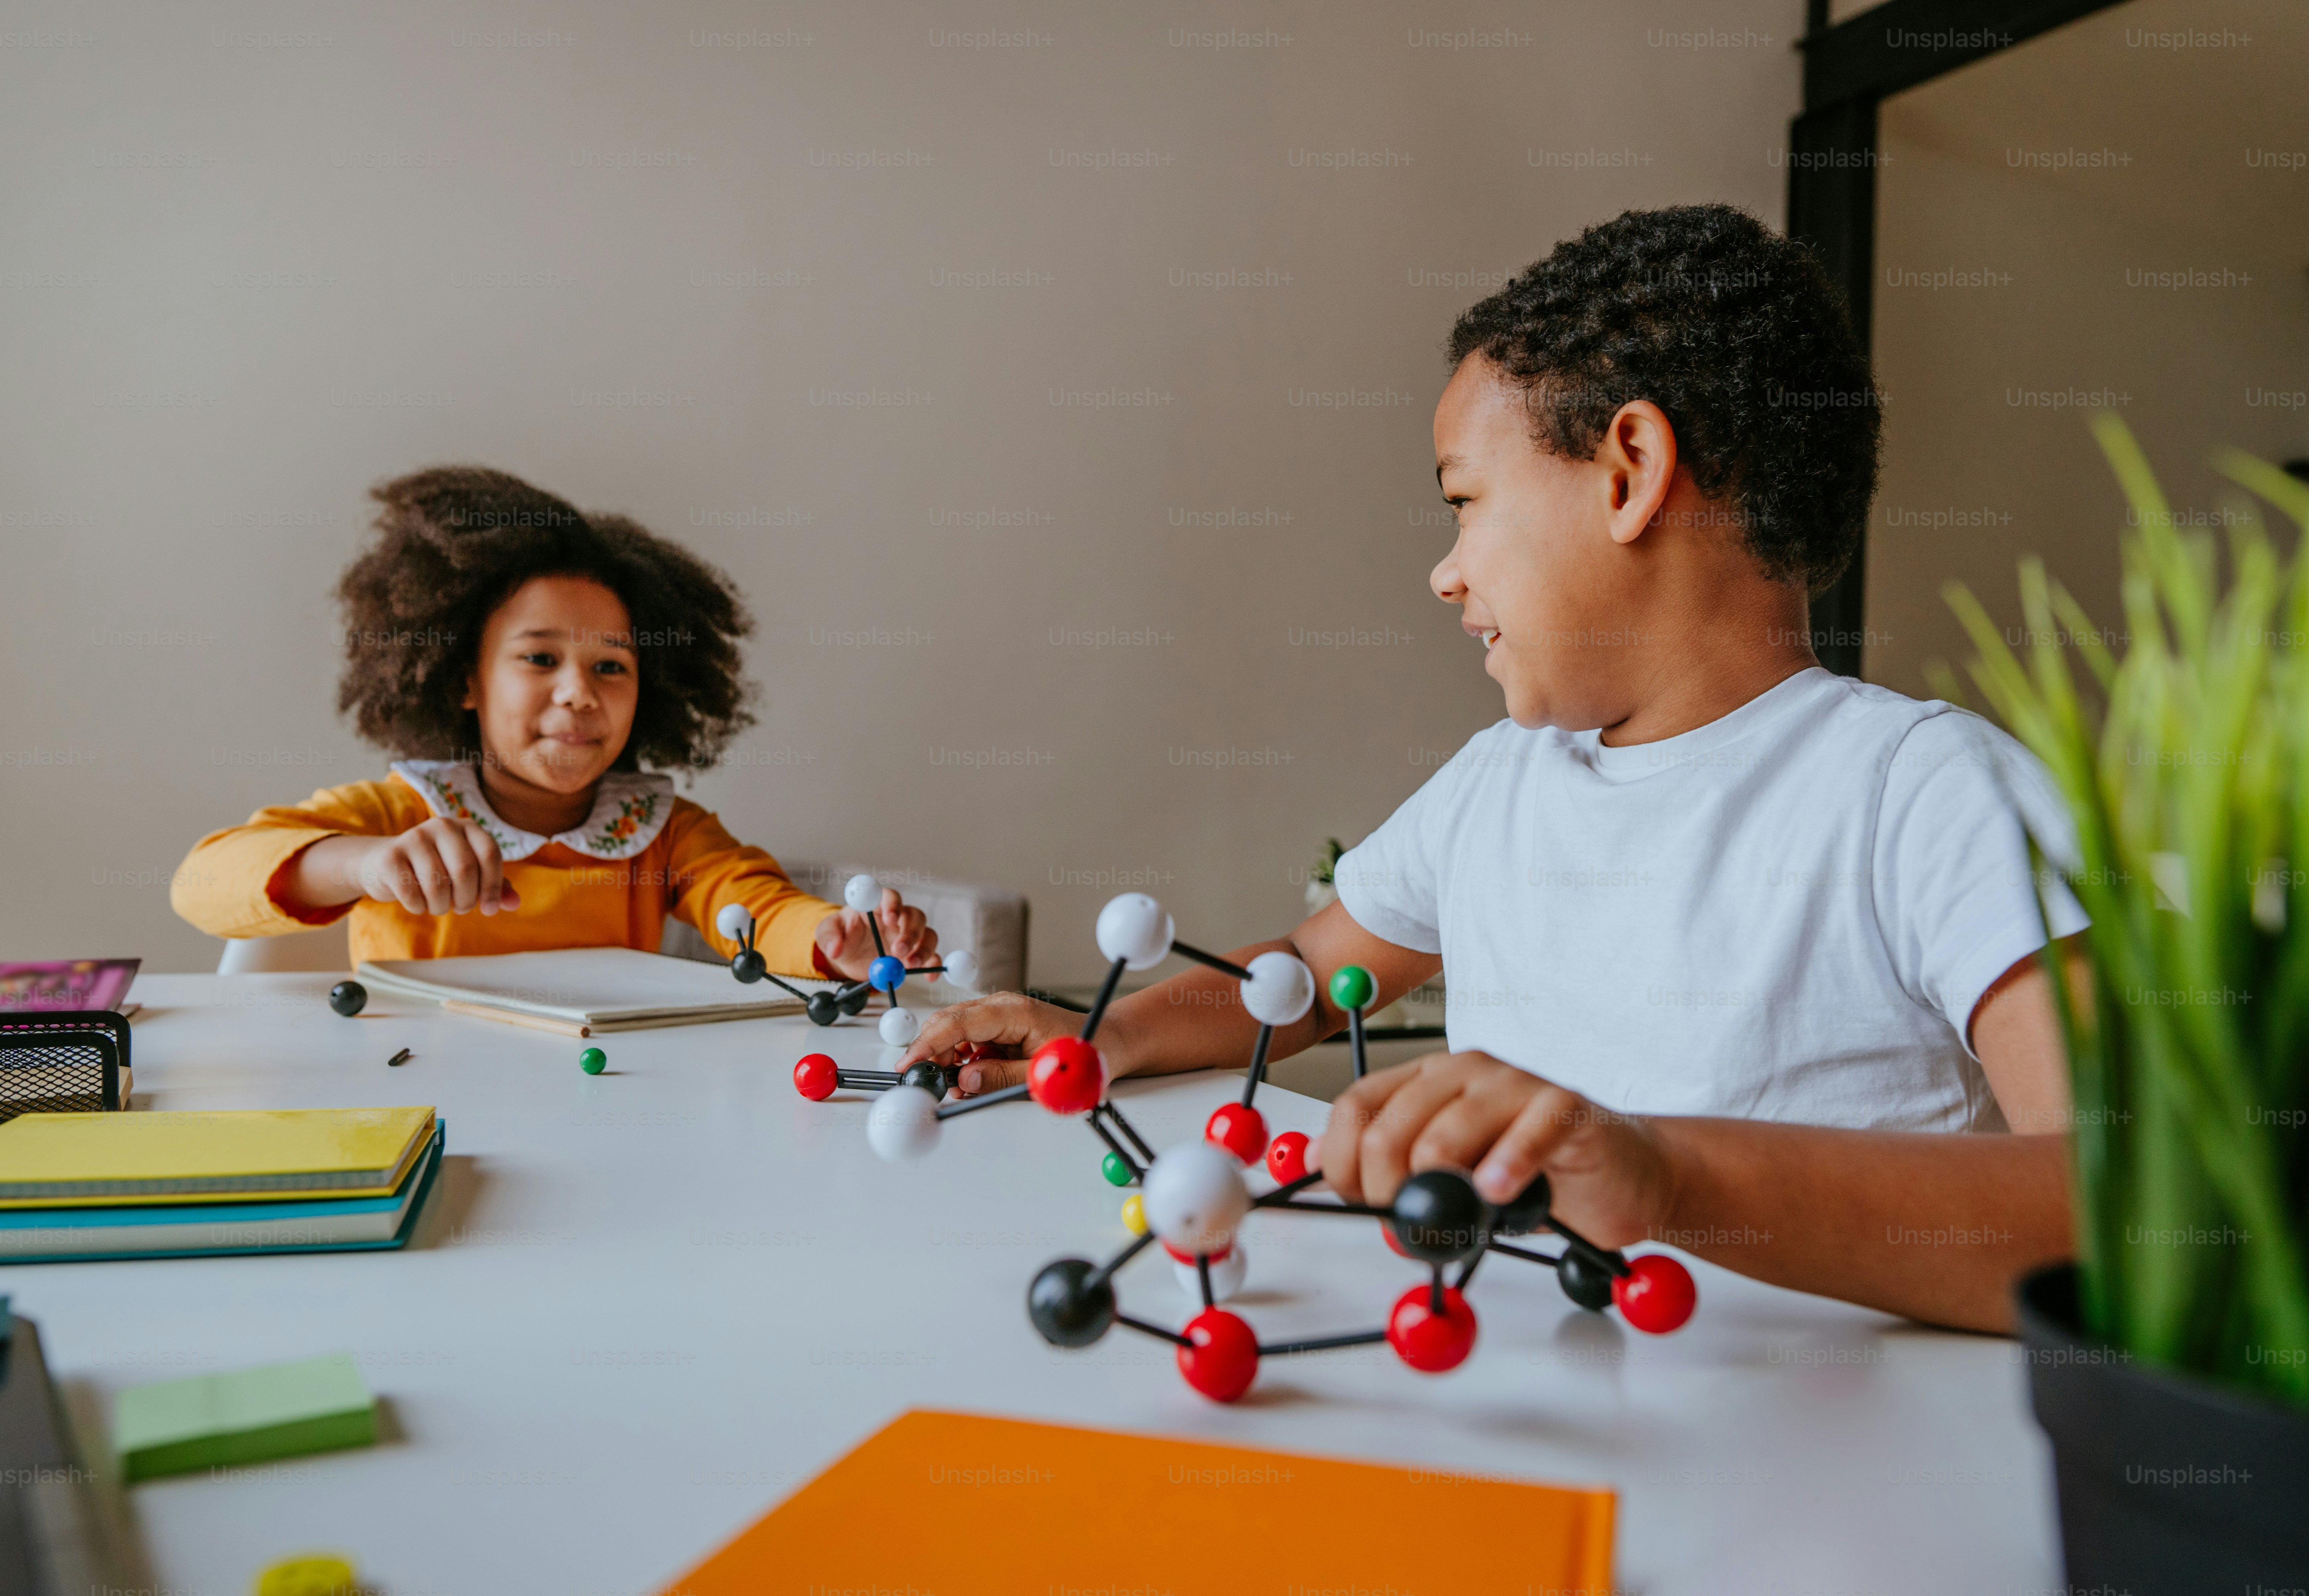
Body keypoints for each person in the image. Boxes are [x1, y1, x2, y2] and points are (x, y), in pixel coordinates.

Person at [898, 204, 2083, 1334]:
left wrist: (1662, 1175)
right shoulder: (1500, 782)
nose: (1445, 574)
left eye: (1465, 505)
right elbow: (1304, 978)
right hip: (1502, 1402)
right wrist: (1103, 1037)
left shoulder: (1925, 796)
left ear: (1629, 470)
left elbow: (2138, 1213)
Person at [172, 466, 933, 982]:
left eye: (612, 667)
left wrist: (834, 939)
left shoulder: (662, 831)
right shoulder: (403, 813)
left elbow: (760, 909)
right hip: (420, 1094)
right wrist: (366, 865)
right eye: (540, 659)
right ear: (466, 680)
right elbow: (201, 882)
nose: (578, 694)